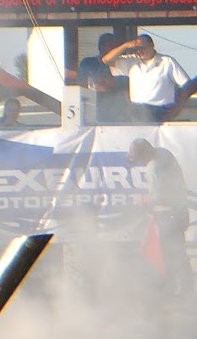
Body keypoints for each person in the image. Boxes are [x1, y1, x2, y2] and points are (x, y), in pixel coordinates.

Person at [128, 138, 190, 299]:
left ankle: (171, 292)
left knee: (168, 254)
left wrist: (143, 199)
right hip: (179, 209)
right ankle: (186, 290)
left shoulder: (152, 168)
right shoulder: (164, 153)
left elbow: (158, 197)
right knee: (180, 253)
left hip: (166, 214)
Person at [104, 34, 189, 124]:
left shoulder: (167, 61)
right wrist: (125, 45)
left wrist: (178, 107)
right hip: (138, 110)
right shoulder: (131, 61)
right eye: (136, 48)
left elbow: (187, 85)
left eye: (142, 47)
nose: (139, 51)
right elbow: (106, 60)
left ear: (151, 45)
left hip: (161, 110)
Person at [75, 31, 129, 123]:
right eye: (108, 45)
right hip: (93, 105)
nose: (112, 49)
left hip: (118, 109)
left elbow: (124, 84)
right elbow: (81, 83)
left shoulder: (126, 63)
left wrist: (101, 81)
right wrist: (95, 83)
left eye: (114, 46)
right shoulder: (88, 62)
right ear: (100, 47)